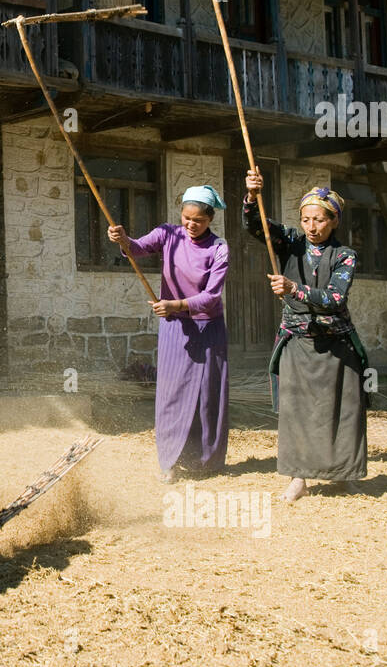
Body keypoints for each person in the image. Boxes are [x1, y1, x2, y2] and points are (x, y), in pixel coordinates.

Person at [243, 167, 367, 502]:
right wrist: (252, 197)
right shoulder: (290, 245)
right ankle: (299, 477)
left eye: (320, 220)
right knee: (297, 411)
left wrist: (294, 289)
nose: (312, 227)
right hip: (298, 343)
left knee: (342, 410)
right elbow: (258, 227)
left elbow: (334, 299)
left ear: (335, 221)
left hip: (337, 347)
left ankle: (343, 475)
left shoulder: (345, 256)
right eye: (306, 219)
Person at [108, 185, 230, 483]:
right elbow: (136, 248)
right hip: (175, 329)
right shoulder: (168, 234)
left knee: (206, 394)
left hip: (208, 328)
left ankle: (205, 460)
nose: (191, 225)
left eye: (198, 220)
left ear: (210, 219)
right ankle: (171, 460)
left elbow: (211, 296)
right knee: (172, 393)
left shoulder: (219, 248)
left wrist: (175, 304)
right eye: (187, 218)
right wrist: (122, 239)